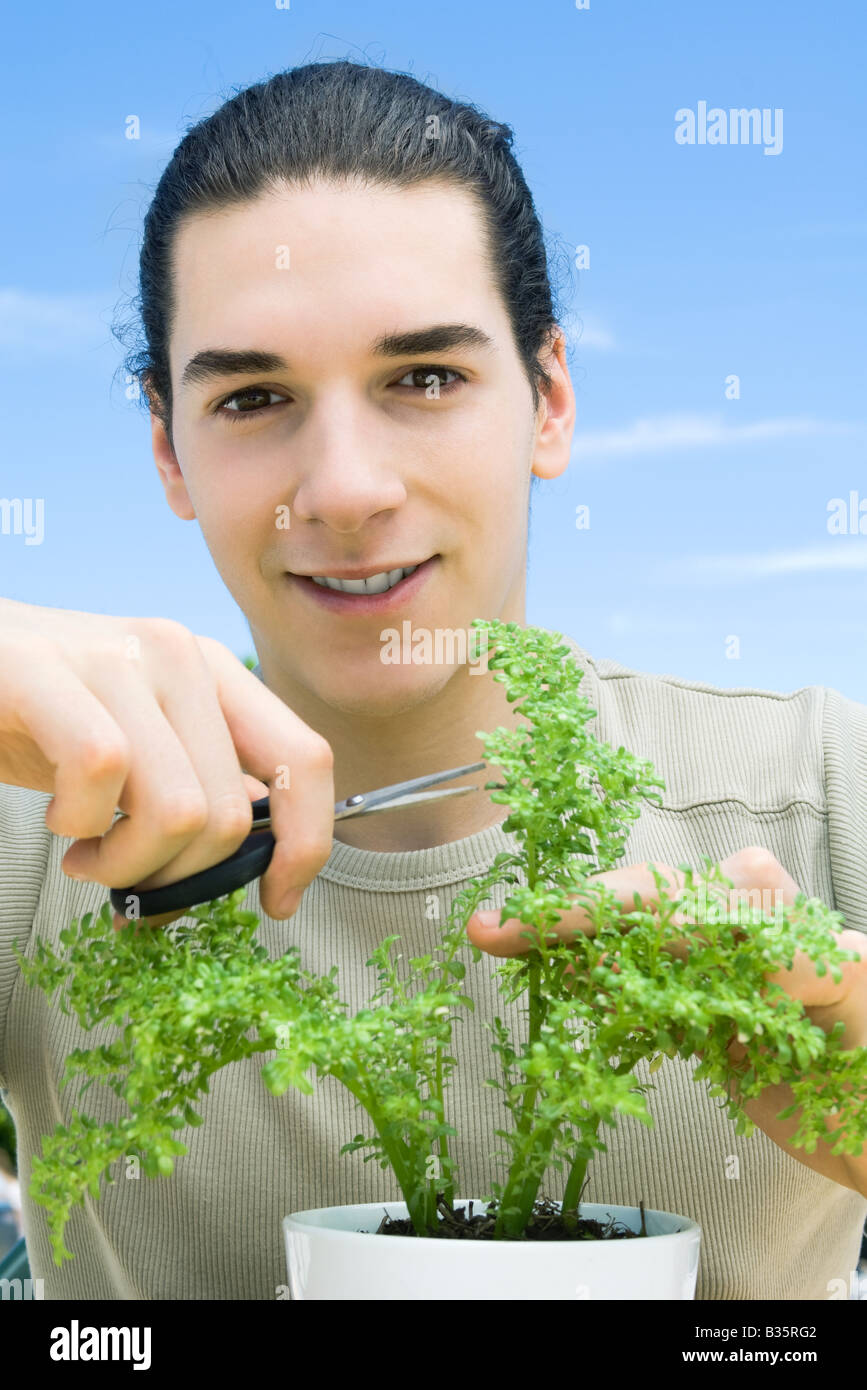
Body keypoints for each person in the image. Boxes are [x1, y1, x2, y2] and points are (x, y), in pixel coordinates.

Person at [0, 58, 864, 1301]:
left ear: (550, 398)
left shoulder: (821, 786)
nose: (346, 488)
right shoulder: (53, 825)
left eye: (424, 378)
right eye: (253, 397)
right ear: (165, 449)